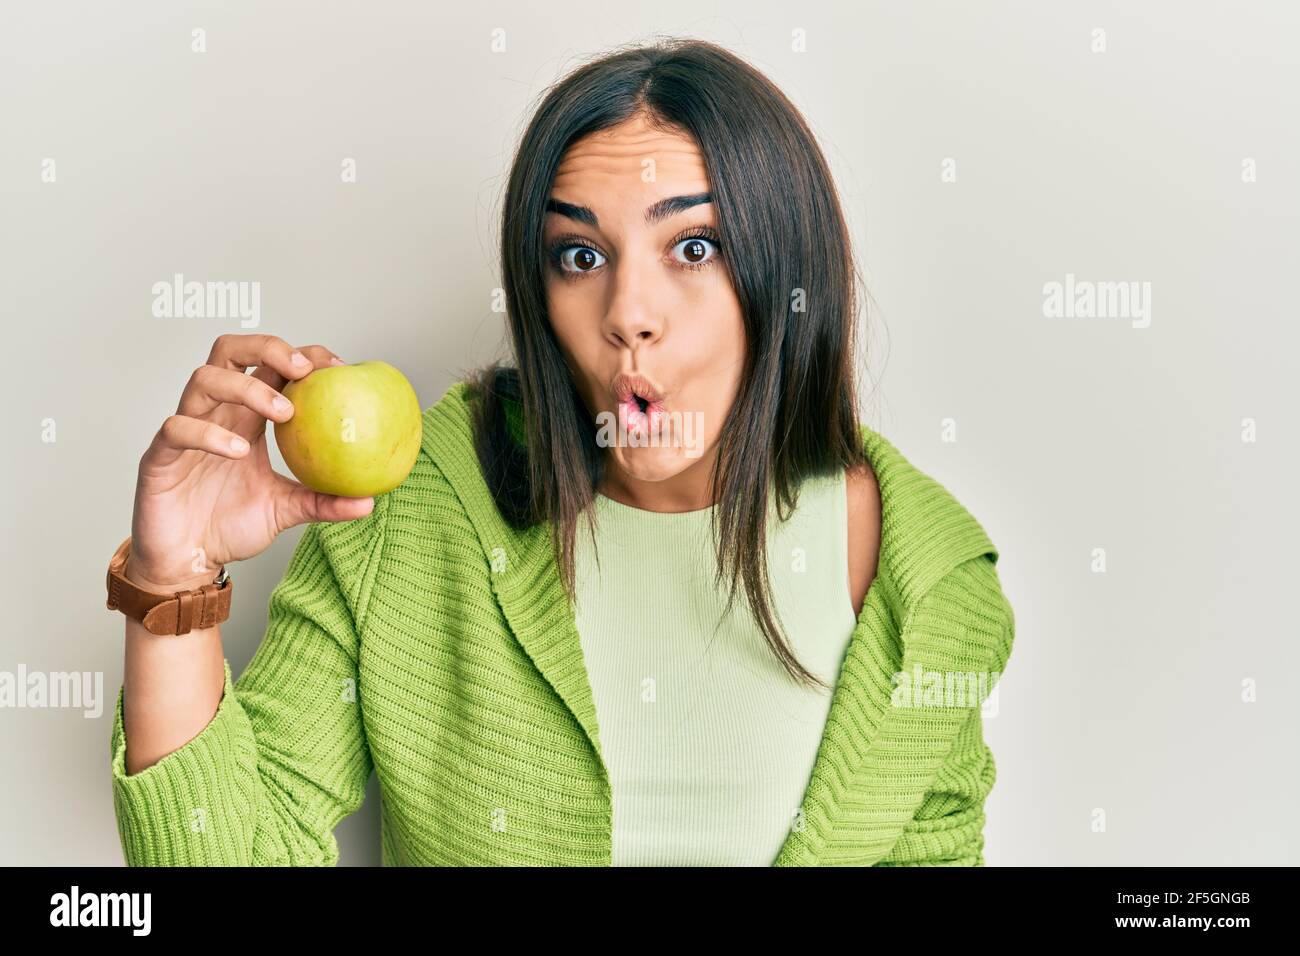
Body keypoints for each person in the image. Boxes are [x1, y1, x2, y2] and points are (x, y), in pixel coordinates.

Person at [106, 38, 1014, 866]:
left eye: (693, 246)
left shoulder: (925, 580)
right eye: (580, 256)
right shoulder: (416, 513)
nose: (627, 314)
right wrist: (171, 578)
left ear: (785, 275)